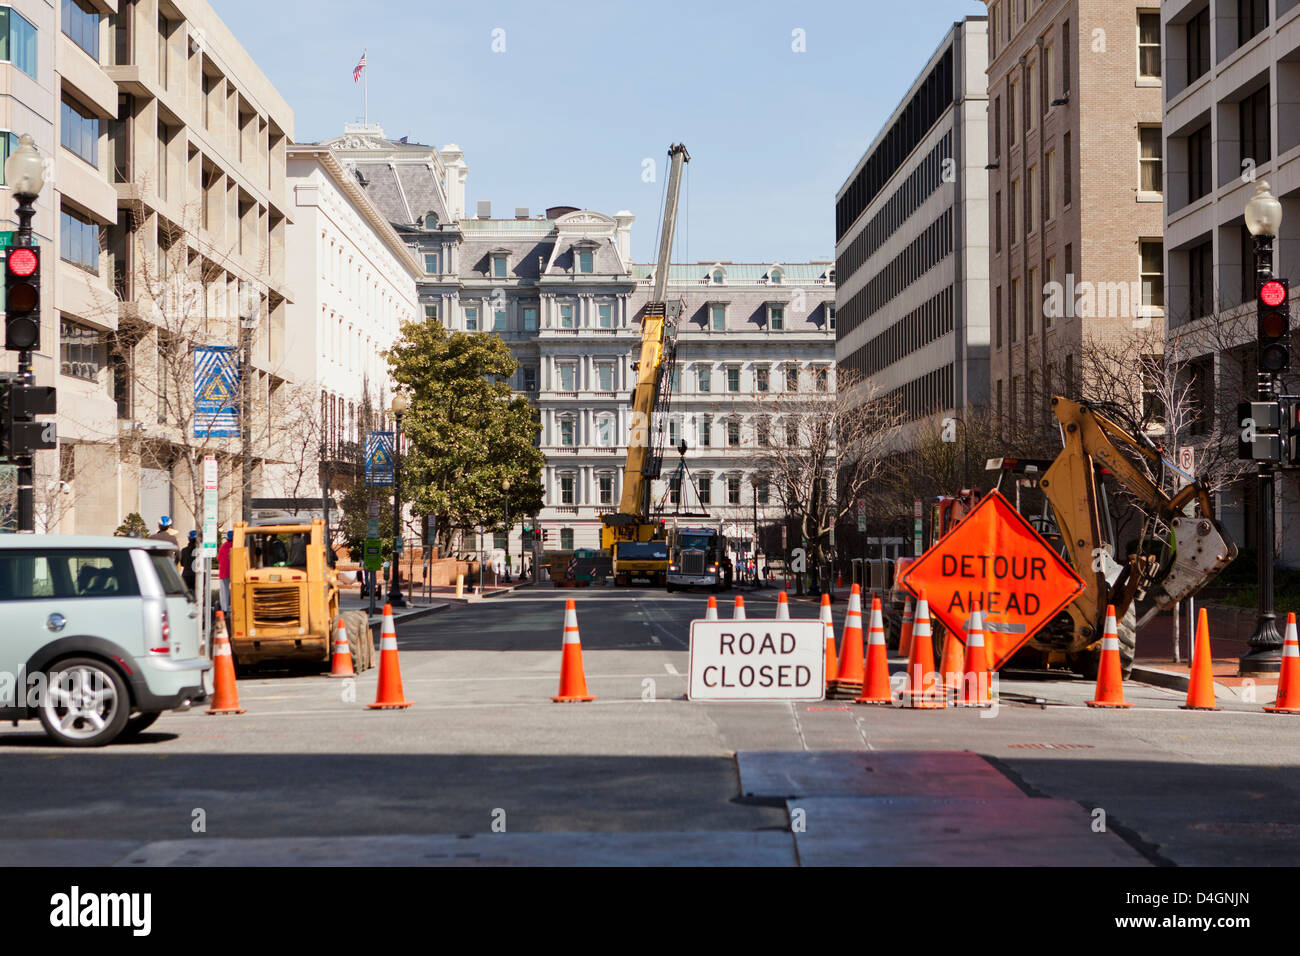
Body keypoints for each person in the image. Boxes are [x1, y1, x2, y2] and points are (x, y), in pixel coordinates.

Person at [217, 530, 233, 616]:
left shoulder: (223, 547)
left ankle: (224, 609)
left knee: (224, 591)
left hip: (224, 572)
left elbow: (219, 558)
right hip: (235, 572)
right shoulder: (237, 546)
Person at [180, 530, 198, 595]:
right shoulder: (200, 550)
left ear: (188, 539)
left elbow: (182, 563)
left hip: (186, 575)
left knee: (186, 595)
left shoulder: (184, 550)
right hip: (197, 575)